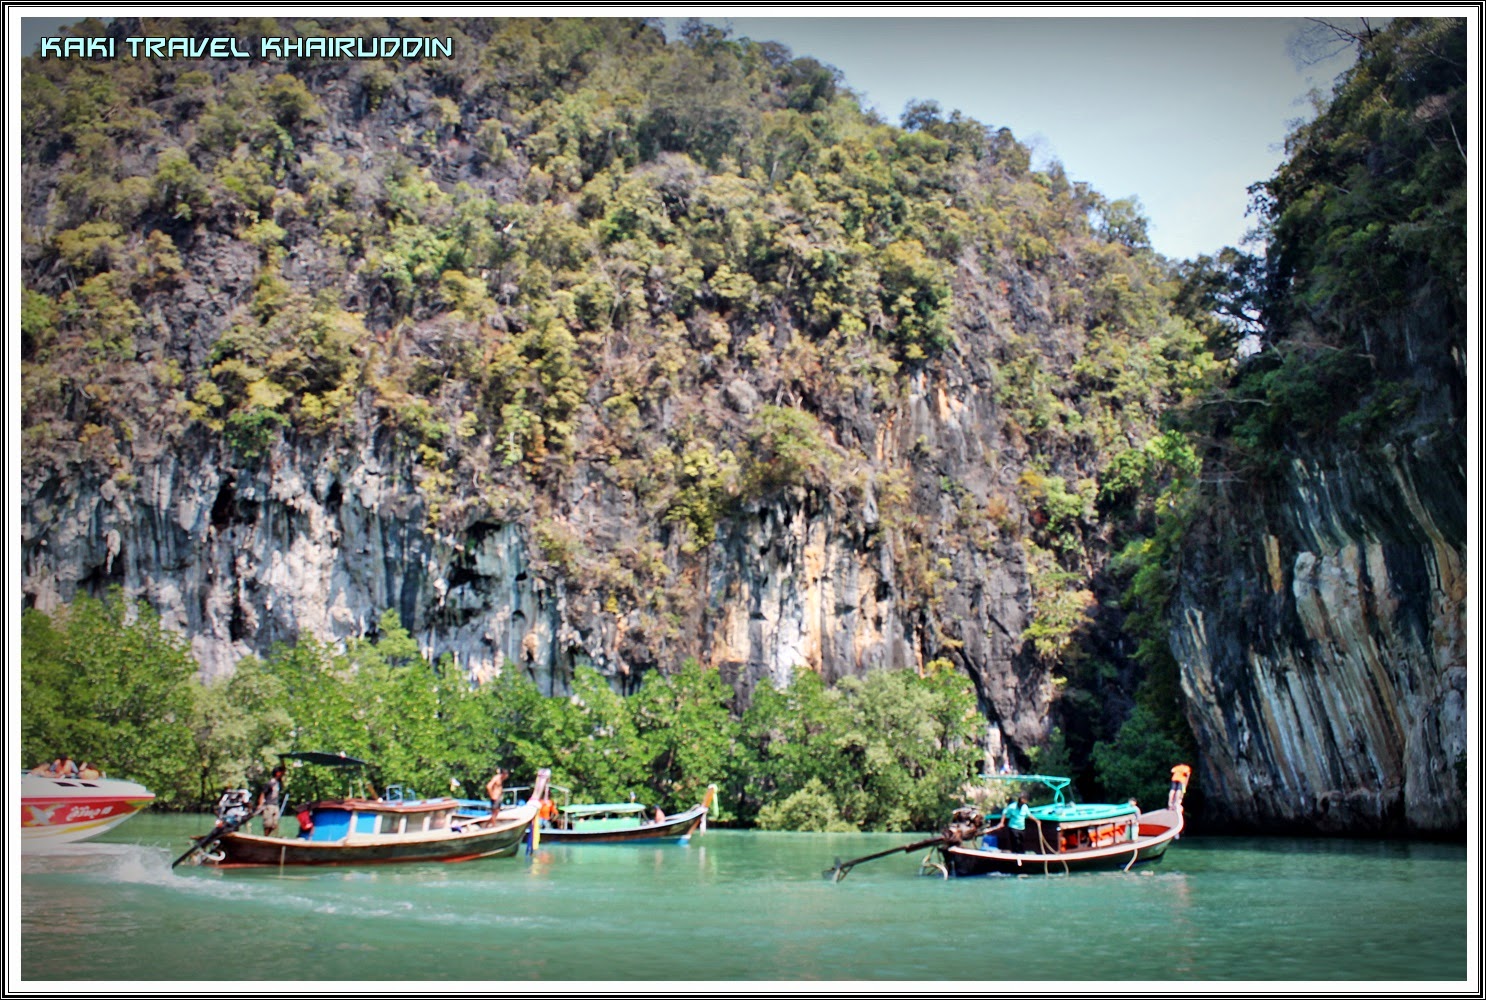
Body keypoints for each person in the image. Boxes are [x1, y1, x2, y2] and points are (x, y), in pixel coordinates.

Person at [257, 766, 286, 836]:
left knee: (275, 824)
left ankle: (271, 836)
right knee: (268, 823)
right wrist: (260, 804)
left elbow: (284, 774)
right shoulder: (270, 783)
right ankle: (265, 837)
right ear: (277, 773)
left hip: (275, 805)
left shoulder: (278, 783)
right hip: (269, 805)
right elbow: (263, 794)